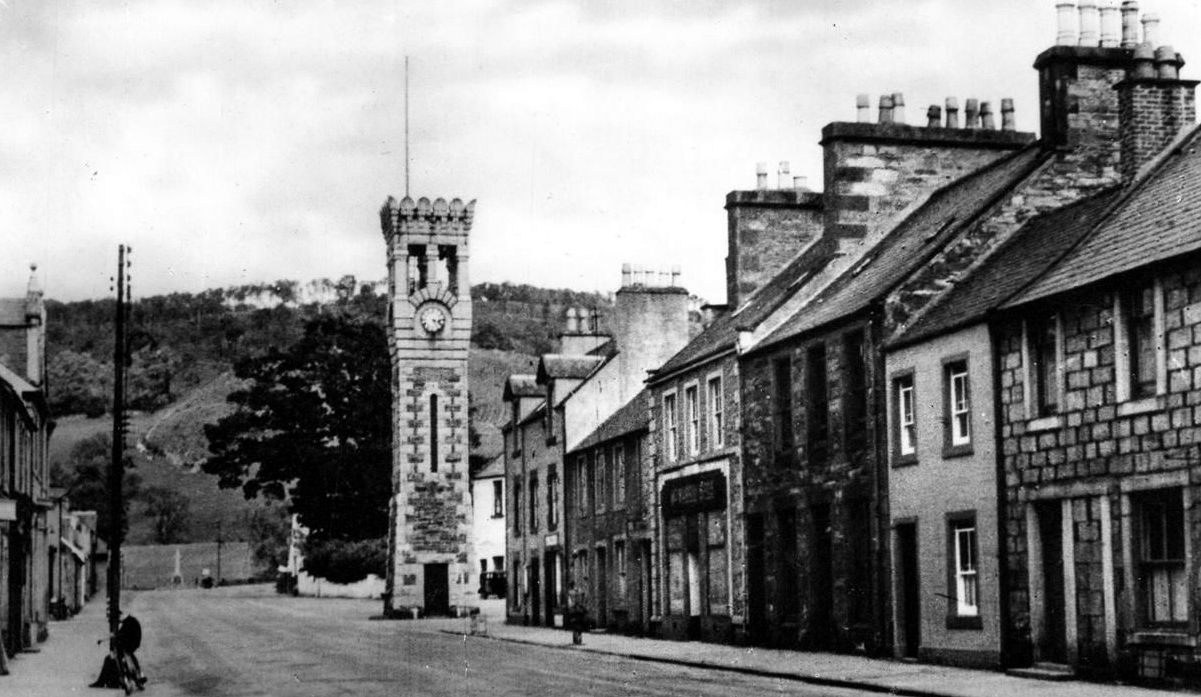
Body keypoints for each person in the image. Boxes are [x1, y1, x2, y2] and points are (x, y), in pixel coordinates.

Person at [116, 613, 146, 688]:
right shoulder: (131, 620)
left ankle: (130, 677)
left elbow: (122, 633)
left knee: (125, 655)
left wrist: (117, 636)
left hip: (131, 643)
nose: (120, 621)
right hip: (135, 642)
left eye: (120, 619)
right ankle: (139, 674)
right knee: (131, 656)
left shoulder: (127, 622)